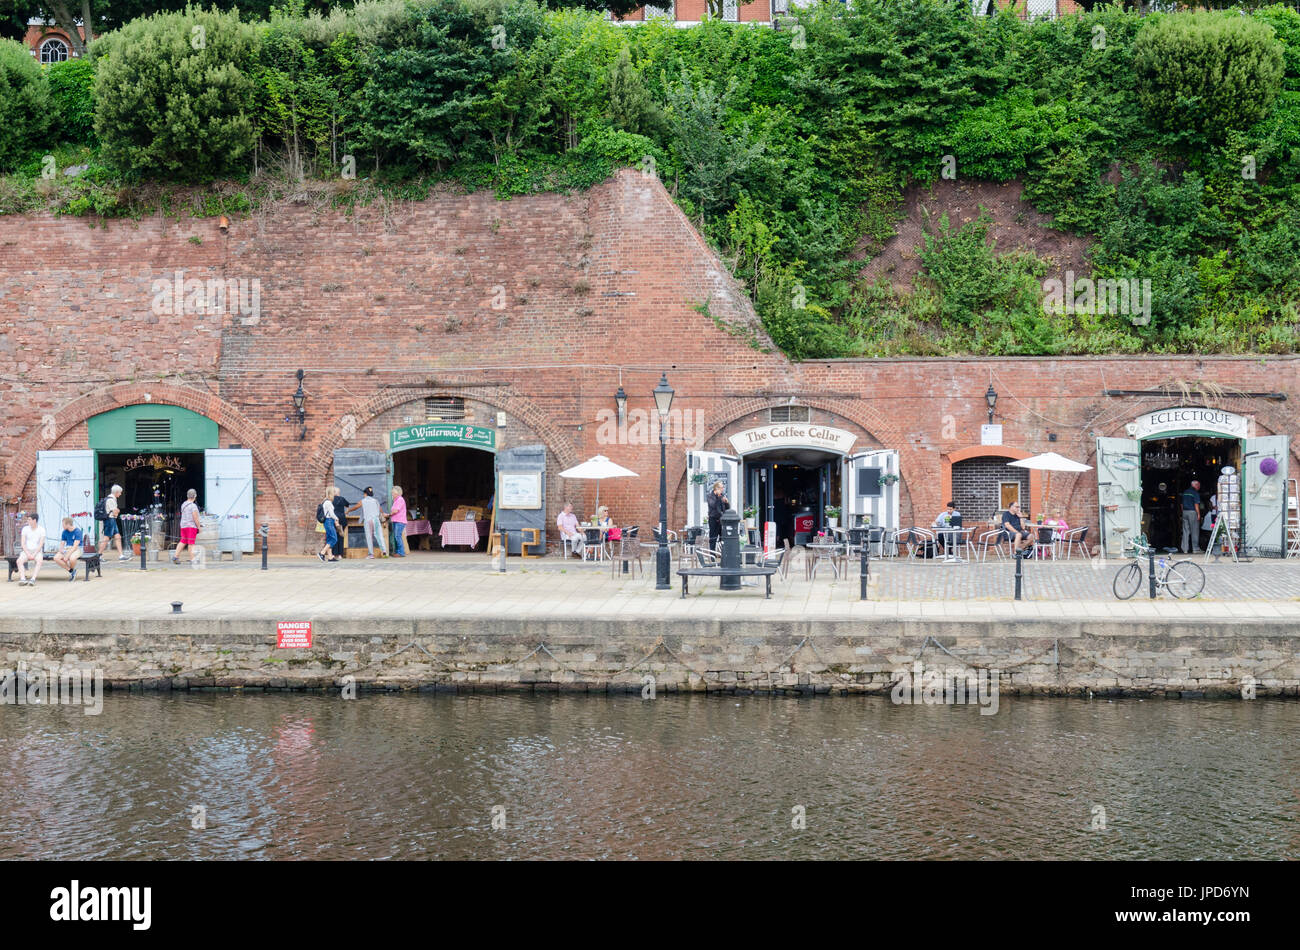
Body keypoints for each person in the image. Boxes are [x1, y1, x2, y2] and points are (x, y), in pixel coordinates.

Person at [348, 486, 388, 559]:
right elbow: (380, 510)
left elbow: (356, 507)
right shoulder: (375, 500)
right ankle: (384, 552)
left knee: (369, 537)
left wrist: (348, 510)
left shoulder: (363, 501)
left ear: (365, 494)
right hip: (376, 520)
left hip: (368, 520)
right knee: (379, 535)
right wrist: (383, 515)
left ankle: (371, 554)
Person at [98, 484, 129, 561]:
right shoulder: (111, 500)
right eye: (120, 492)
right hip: (110, 520)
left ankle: (121, 555)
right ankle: (98, 555)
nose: (121, 494)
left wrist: (117, 510)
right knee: (106, 538)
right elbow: (115, 512)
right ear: (116, 492)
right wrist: (117, 511)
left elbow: (116, 511)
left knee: (118, 536)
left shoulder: (111, 498)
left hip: (112, 520)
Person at [171, 488, 202, 565]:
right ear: (195, 496)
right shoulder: (193, 506)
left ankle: (175, 557)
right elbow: (195, 518)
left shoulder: (183, 504)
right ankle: (193, 560)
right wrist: (199, 527)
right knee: (191, 543)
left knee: (183, 541)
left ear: (188, 496)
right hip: (191, 527)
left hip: (183, 526)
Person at [16, 513, 45, 586]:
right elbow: (23, 543)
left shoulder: (41, 530)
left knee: (39, 561)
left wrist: (34, 554)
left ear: (34, 520)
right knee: (19, 561)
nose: (27, 521)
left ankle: (33, 579)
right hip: (26, 550)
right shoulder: (25, 529)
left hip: (37, 551)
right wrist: (28, 554)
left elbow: (41, 544)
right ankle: (23, 579)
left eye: (29, 519)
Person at [53, 516, 83, 581]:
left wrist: (67, 555)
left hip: (77, 548)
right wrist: (61, 549)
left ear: (68, 524)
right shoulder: (64, 532)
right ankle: (72, 571)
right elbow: (62, 543)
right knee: (56, 558)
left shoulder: (77, 531)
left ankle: (72, 572)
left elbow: (75, 546)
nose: (62, 526)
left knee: (72, 559)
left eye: (63, 524)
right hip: (67, 548)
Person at [318, 486, 341, 562]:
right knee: (334, 538)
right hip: (329, 521)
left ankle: (330, 557)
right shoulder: (328, 502)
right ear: (331, 493)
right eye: (334, 492)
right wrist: (337, 518)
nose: (335, 493)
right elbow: (331, 514)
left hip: (328, 521)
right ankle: (322, 552)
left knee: (329, 539)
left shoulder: (325, 501)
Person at [706, 480, 730, 551]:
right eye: (721, 488)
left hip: (721, 520)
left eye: (723, 487)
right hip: (713, 520)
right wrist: (719, 498)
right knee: (713, 538)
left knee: (723, 538)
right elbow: (714, 505)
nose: (723, 489)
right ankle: (712, 556)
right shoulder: (710, 496)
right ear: (716, 488)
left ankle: (723, 555)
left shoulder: (722, 496)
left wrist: (726, 502)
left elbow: (727, 509)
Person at [1180, 480, 1202, 554]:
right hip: (1192, 512)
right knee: (1194, 530)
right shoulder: (1195, 493)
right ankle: (1195, 549)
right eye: (1198, 485)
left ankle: (1185, 549)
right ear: (1195, 485)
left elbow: (1181, 504)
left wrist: (1183, 512)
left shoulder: (1185, 492)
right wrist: (1198, 514)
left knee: (1185, 531)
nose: (1199, 487)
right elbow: (1196, 504)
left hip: (1184, 512)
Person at [331, 487, 350, 558]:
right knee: (341, 536)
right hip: (342, 519)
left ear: (334, 492)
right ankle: (340, 554)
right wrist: (347, 512)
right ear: (339, 492)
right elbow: (348, 505)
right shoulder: (342, 499)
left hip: (335, 519)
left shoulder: (331, 499)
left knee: (334, 536)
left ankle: (334, 554)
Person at [390, 486, 408, 557]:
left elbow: (395, 510)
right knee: (397, 536)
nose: (392, 494)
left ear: (397, 493)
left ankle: (401, 552)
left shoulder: (400, 499)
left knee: (398, 536)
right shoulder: (396, 500)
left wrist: (389, 514)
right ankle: (399, 551)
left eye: (393, 493)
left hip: (400, 521)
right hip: (396, 520)